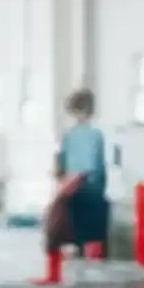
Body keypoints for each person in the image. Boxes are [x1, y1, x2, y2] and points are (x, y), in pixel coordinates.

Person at [56, 88, 109, 256]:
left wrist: (65, 179)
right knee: (92, 229)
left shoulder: (72, 135)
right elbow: (93, 163)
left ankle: (80, 253)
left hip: (76, 186)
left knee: (77, 228)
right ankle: (90, 255)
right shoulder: (94, 134)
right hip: (90, 185)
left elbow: (63, 161)